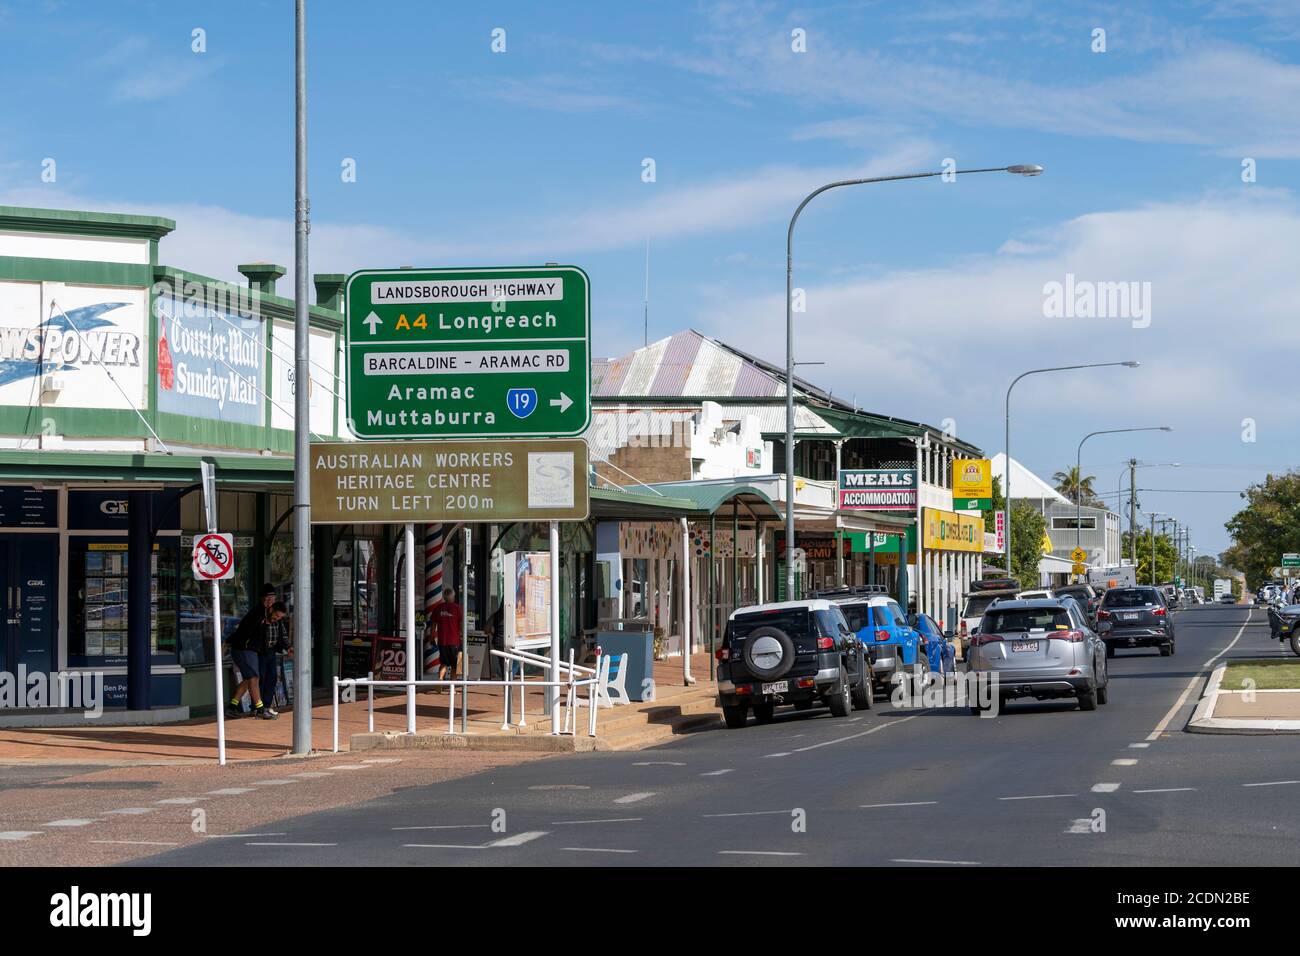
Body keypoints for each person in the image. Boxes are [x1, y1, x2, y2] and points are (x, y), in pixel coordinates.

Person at [226, 584, 277, 719]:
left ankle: (232, 706)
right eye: (267, 597)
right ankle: (260, 710)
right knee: (254, 677)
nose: (270, 600)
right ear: (262, 598)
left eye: (272, 597)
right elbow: (243, 630)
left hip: (250, 650)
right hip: (244, 649)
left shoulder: (265, 613)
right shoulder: (258, 613)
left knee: (250, 678)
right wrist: (227, 641)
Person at [259, 602, 291, 717]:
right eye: (276, 616)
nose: (276, 618)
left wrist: (288, 647)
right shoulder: (262, 619)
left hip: (271, 651)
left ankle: (267, 706)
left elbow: (283, 635)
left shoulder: (279, 621)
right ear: (271, 609)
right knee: (260, 678)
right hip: (260, 652)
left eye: (279, 617)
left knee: (272, 678)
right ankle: (259, 707)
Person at [433, 587, 464, 682]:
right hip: (455, 641)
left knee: (443, 662)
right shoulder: (457, 608)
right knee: (455, 665)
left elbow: (433, 623)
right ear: (452, 597)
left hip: (442, 641)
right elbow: (461, 623)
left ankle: (440, 678)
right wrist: (462, 635)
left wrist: (432, 635)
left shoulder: (438, 608)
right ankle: (453, 687)